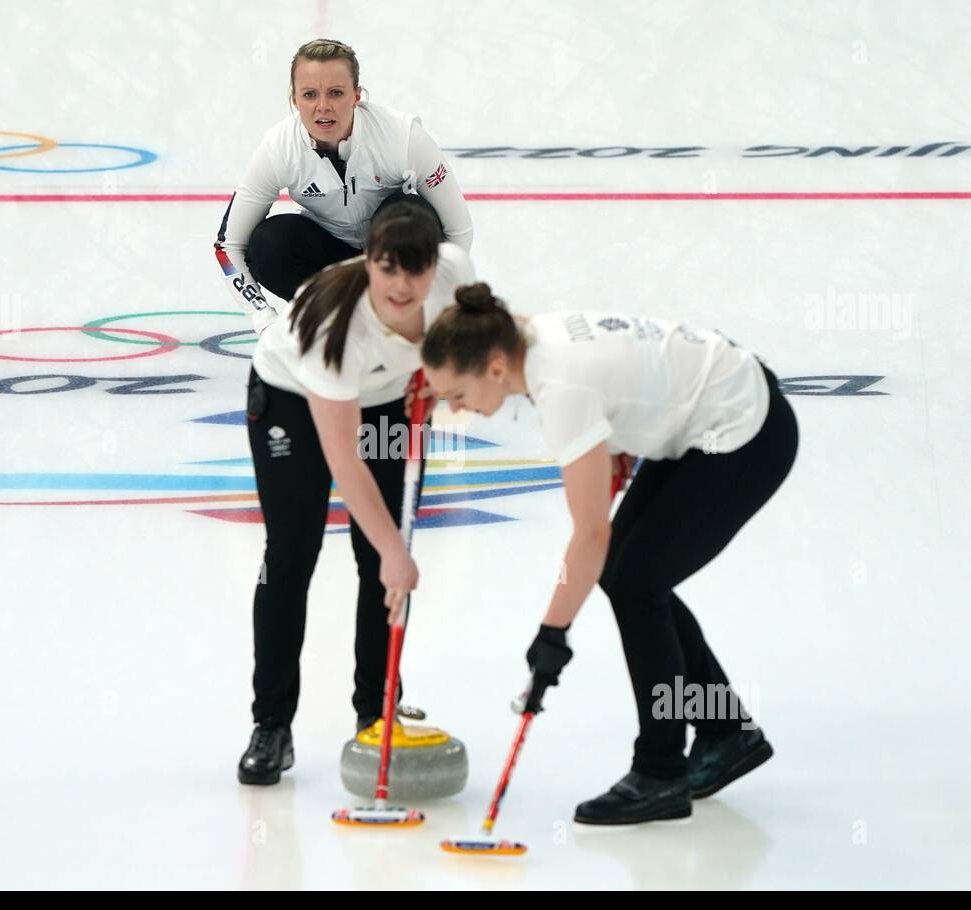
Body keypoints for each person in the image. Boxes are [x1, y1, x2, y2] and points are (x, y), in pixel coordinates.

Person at [421, 284, 798, 825]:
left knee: (637, 582)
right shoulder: (535, 343)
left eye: (456, 393)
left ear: (496, 367)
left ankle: (660, 772)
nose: (456, 409)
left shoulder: (560, 387)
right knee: (630, 576)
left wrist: (552, 634)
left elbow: (590, 535)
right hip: (707, 409)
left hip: (745, 432)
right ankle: (724, 732)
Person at [237, 202, 475, 785]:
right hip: (290, 401)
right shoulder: (333, 324)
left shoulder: (455, 272)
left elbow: (467, 339)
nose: (402, 286)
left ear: (434, 267)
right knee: (293, 556)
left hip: (386, 400)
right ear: (368, 261)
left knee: (379, 564)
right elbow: (344, 460)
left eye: (414, 271)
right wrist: (397, 549)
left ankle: (378, 712)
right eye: (387, 269)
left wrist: (434, 379)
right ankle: (272, 723)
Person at [214, 38, 473, 335]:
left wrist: (438, 302)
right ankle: (337, 321)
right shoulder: (278, 148)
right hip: (331, 268)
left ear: (356, 96)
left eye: (336, 93)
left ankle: (401, 319)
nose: (323, 107)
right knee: (269, 243)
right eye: (310, 94)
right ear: (294, 99)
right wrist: (264, 321)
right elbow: (228, 246)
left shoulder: (403, 136)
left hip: (395, 264)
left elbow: (459, 231)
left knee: (409, 213)